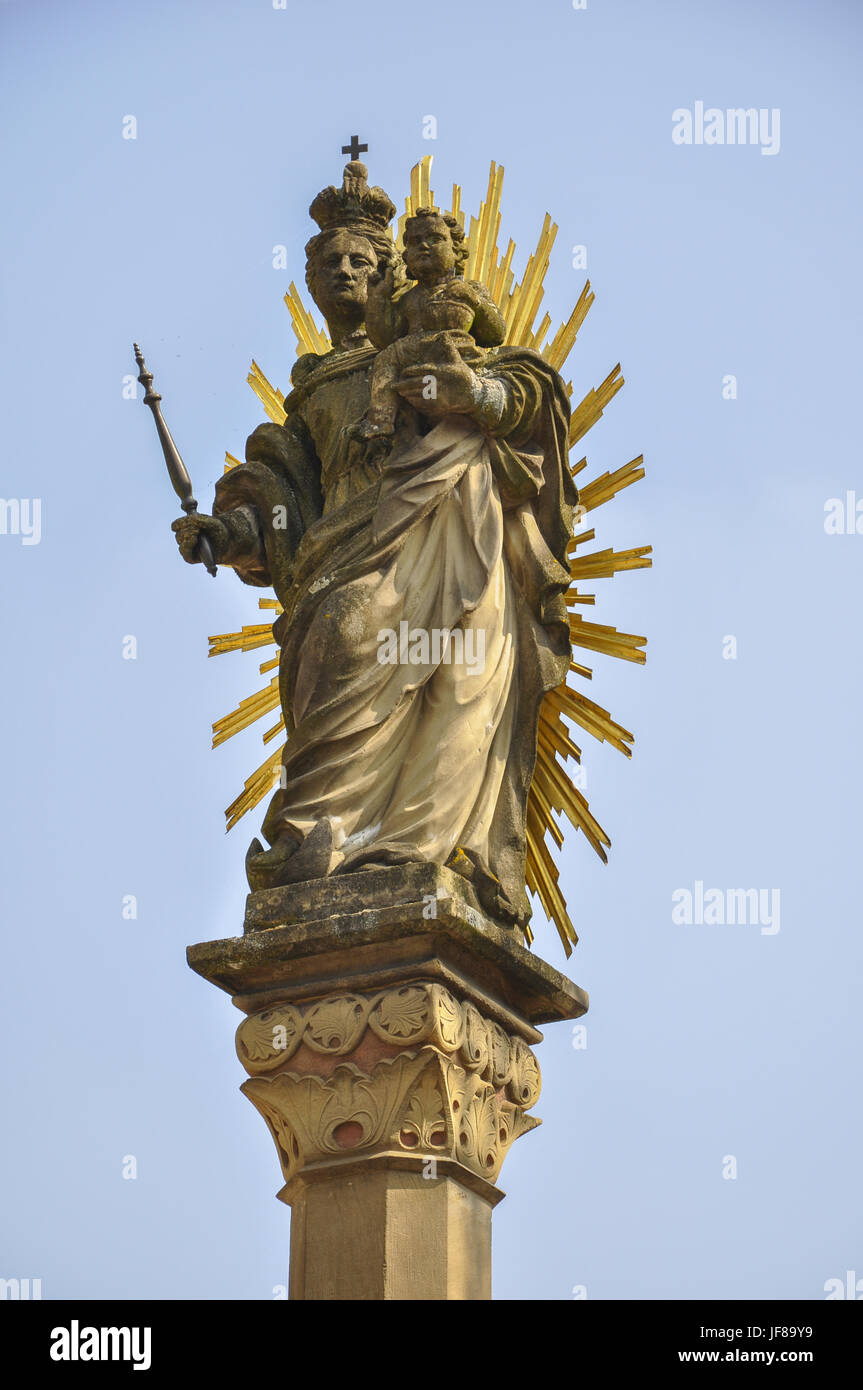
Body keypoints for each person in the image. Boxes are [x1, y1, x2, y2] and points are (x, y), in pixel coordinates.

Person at [172, 162, 576, 931]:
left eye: (360, 260)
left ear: (390, 268)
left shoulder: (431, 339)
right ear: (309, 278)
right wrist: (225, 532)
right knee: (339, 642)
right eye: (327, 263)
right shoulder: (317, 384)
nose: (342, 274)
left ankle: (418, 845)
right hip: (337, 553)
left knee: (408, 657)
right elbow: (286, 493)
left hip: (446, 555)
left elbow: (528, 394)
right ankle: (322, 845)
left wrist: (471, 395)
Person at [351, 207, 506, 456]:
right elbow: (385, 338)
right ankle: (380, 422)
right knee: (385, 359)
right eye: (415, 242)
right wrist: (378, 298)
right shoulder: (408, 299)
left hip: (457, 351)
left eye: (435, 239)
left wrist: (475, 301)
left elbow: (496, 334)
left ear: (456, 251)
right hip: (414, 352)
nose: (424, 246)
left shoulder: (470, 289)